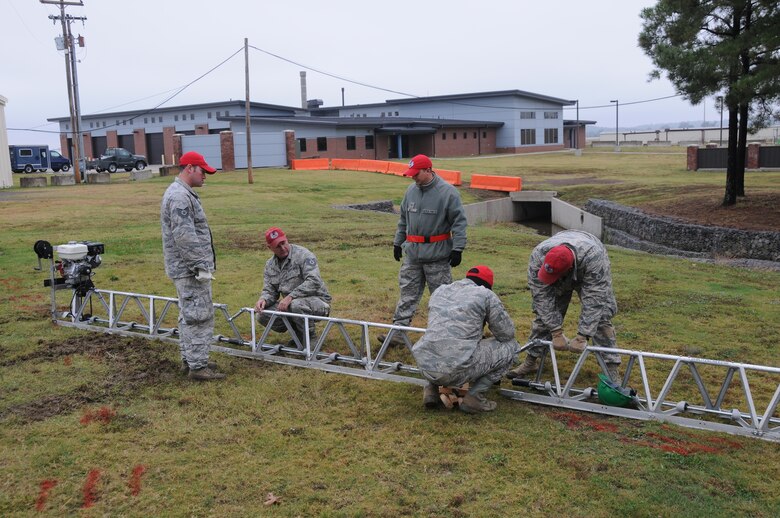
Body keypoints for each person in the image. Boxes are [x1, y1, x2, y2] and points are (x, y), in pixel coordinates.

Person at [506, 230, 621, 382]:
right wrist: (556, 332)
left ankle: (611, 369)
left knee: (602, 318)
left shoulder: (594, 259)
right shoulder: (539, 256)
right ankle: (530, 361)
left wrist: (582, 336)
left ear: (568, 270)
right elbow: (541, 298)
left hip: (589, 263)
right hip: (565, 260)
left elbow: (595, 301)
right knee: (544, 317)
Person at [378, 154, 468, 346]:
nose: (413, 178)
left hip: (437, 256)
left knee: (442, 298)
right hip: (413, 255)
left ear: (428, 170)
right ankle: (399, 332)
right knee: (407, 294)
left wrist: (458, 248)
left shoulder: (448, 193)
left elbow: (459, 223)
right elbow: (403, 219)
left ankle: (444, 334)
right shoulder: (411, 191)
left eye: (416, 174)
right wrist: (397, 242)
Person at [412, 265, 519, 413]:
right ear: (488, 285)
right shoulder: (485, 294)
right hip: (456, 370)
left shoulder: (441, 290)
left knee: (437, 341)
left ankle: (431, 389)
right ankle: (475, 397)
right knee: (512, 347)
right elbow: (506, 334)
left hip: (425, 365)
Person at [161, 151, 225, 381]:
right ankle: (198, 367)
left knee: (188, 315)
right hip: (190, 270)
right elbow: (185, 236)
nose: (205, 176)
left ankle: (191, 359)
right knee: (200, 315)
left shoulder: (181, 194)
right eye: (203, 171)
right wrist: (200, 266)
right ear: (190, 168)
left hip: (184, 268)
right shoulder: (179, 197)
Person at [254, 227, 331, 348]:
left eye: (283, 243)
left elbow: (314, 280)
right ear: (270, 248)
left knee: (295, 305)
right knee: (262, 314)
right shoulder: (270, 265)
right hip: (291, 304)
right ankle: (298, 335)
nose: (283, 248)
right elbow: (270, 289)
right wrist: (263, 299)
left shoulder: (304, 255)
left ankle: (310, 339)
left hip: (318, 302)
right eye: (277, 246)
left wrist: (291, 296)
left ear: (286, 239)